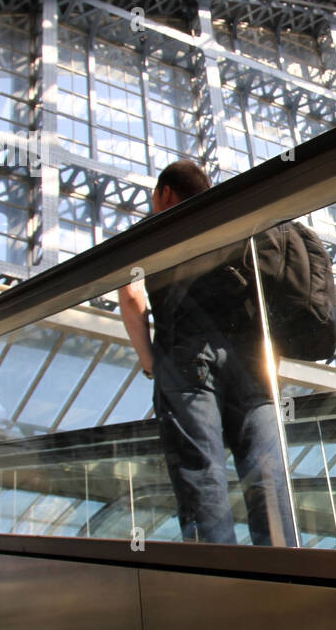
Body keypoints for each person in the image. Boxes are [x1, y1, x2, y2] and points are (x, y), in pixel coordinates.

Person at [118, 159, 295, 546]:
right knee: (267, 472)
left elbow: (131, 297)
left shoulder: (158, 228)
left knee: (201, 470)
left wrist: (151, 364)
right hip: (255, 366)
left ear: (165, 193)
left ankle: (219, 579)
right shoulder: (236, 220)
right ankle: (286, 573)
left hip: (189, 359)